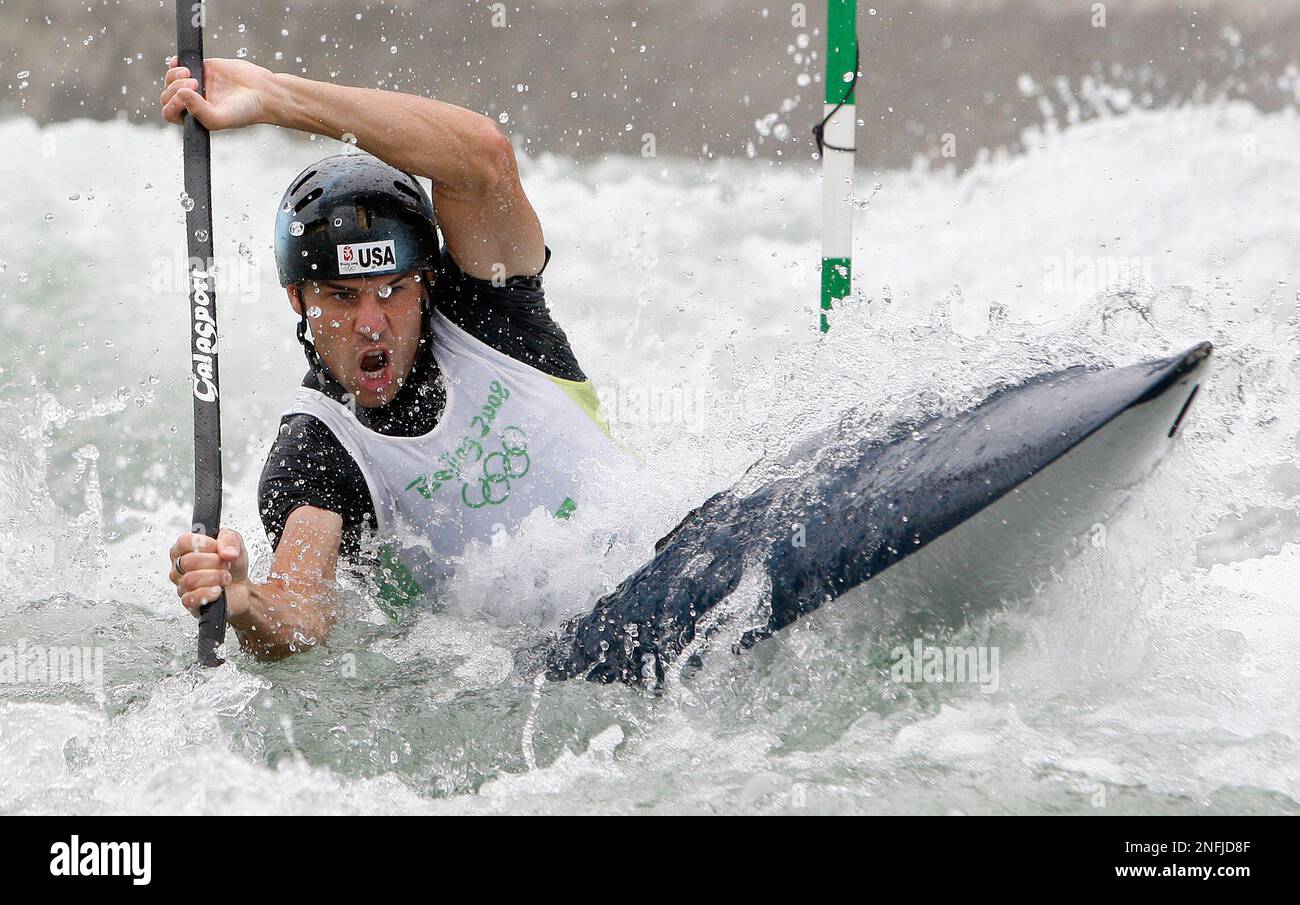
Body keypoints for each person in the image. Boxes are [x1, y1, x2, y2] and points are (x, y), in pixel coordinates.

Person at [161, 58, 620, 659]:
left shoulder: (495, 312)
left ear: (426, 282)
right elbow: (302, 615)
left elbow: (482, 155)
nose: (370, 323)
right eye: (343, 297)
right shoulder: (319, 452)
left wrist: (273, 98)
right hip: (555, 667)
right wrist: (244, 598)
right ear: (298, 298)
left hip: (662, 565)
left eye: (392, 290)